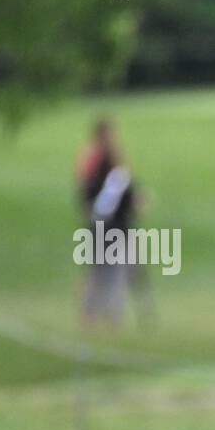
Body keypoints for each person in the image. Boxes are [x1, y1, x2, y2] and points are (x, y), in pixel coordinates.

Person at [76, 118, 151, 328]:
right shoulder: (95, 160)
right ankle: (98, 317)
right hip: (105, 227)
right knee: (102, 273)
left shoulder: (112, 160)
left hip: (116, 225)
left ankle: (110, 317)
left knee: (115, 272)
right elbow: (91, 193)